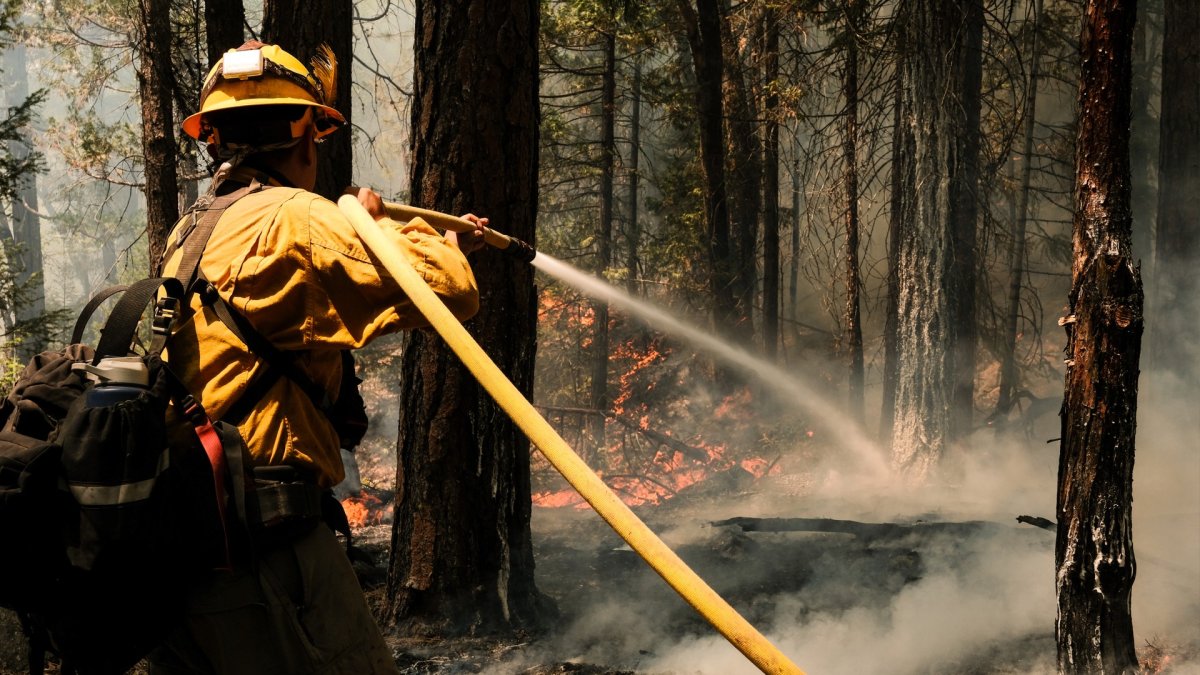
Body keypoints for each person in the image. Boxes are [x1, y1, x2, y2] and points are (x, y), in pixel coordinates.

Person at [149, 41, 484, 674]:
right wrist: (384, 228)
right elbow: (449, 290)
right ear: (306, 133)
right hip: (269, 551)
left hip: (187, 553)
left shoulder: (192, 228)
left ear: (214, 139)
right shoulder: (298, 219)